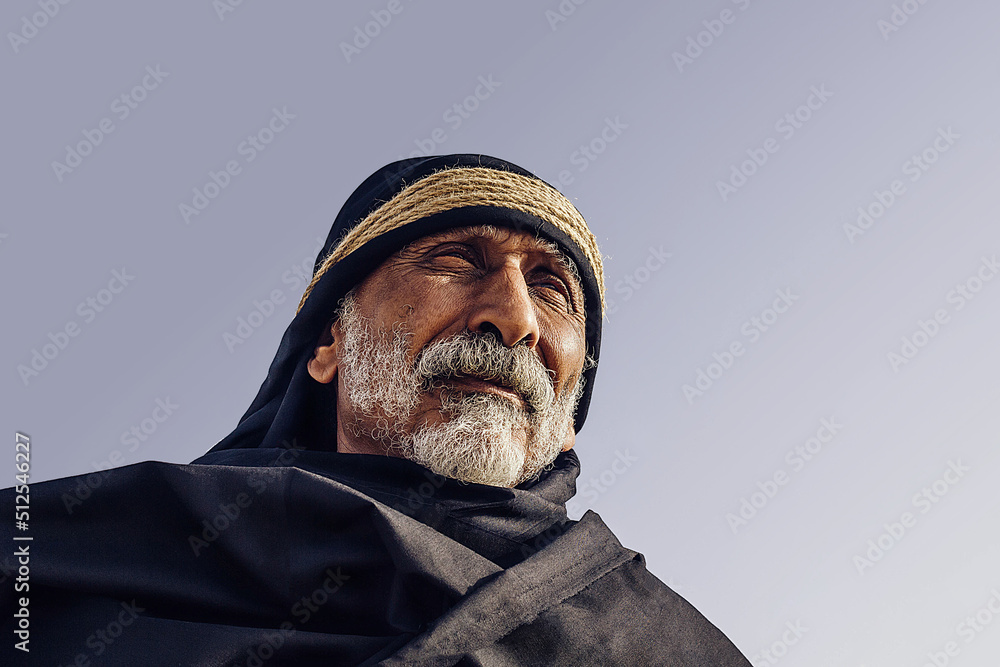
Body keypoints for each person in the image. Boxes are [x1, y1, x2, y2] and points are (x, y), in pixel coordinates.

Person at [1, 154, 751, 665]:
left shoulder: (663, 644)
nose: (515, 317)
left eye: (552, 287)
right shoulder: (64, 566)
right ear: (328, 343)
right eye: (458, 260)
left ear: (569, 408)